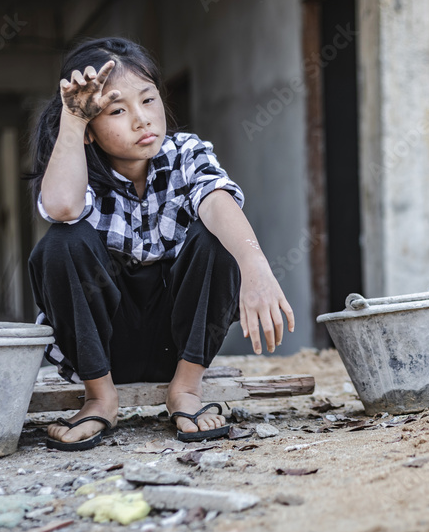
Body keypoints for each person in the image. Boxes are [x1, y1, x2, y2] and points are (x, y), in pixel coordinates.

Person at [27, 37, 293, 451]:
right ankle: (100, 398)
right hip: (103, 348)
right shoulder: (78, 169)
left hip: (176, 341)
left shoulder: (184, 152)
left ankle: (185, 391)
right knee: (61, 242)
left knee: (216, 237)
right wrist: (73, 119)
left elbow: (215, 197)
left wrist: (256, 266)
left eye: (148, 100)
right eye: (117, 111)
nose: (141, 120)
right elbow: (61, 207)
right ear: (91, 132)